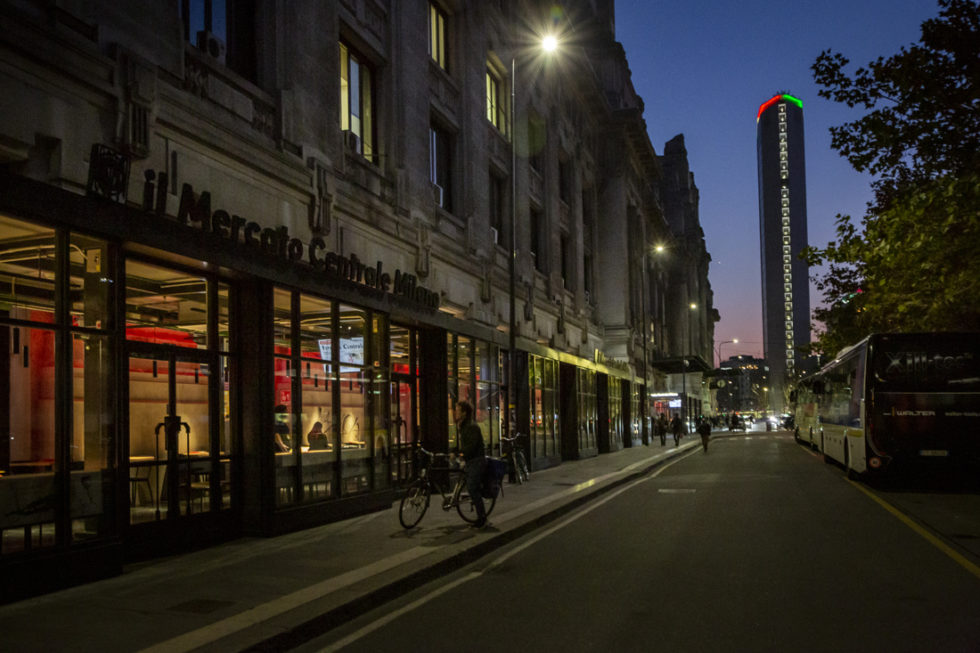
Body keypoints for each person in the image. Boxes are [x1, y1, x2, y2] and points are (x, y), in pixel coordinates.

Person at [453, 400, 488, 529]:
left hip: (477, 461)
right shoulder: (463, 426)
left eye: (457, 410)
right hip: (470, 460)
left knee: (473, 488)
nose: (455, 412)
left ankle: (482, 518)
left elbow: (471, 447)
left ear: (464, 413)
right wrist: (456, 452)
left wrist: (460, 453)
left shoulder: (472, 426)